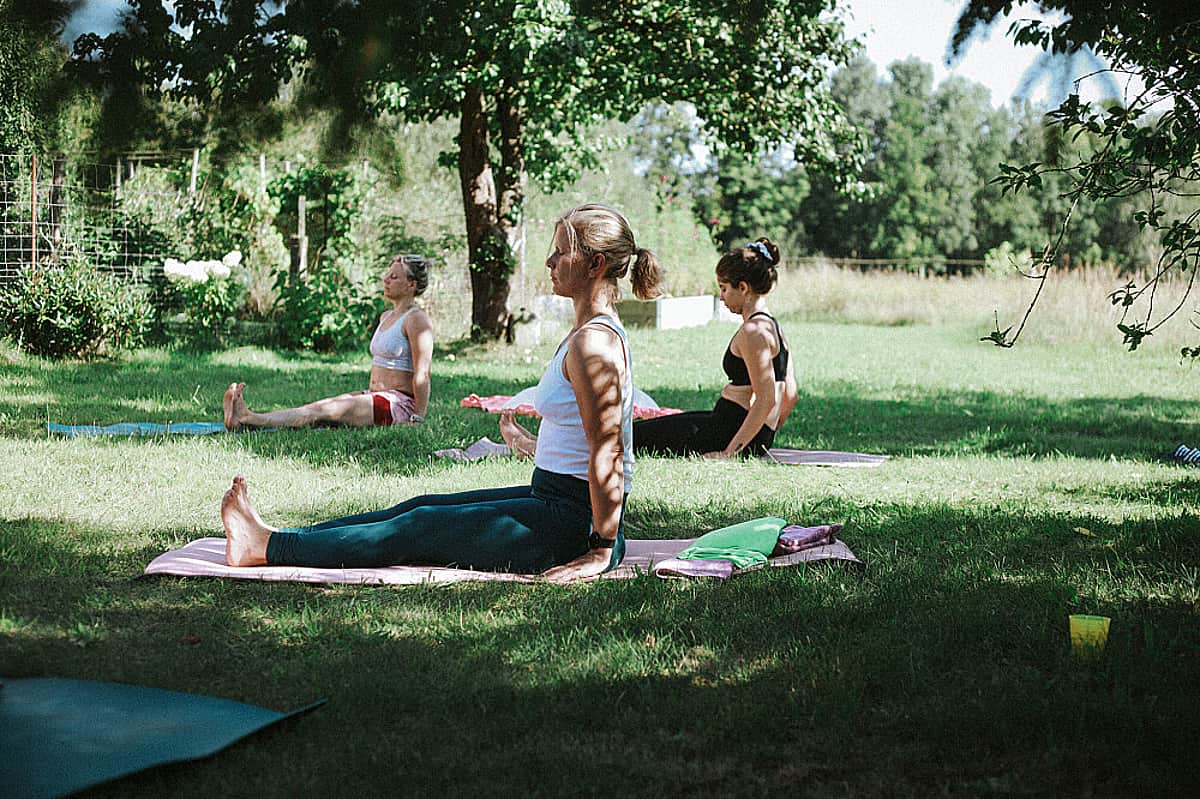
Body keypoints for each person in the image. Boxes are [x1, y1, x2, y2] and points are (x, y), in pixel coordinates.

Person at [220, 204, 663, 583]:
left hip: (570, 526)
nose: (549, 261)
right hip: (554, 500)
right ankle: (284, 538)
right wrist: (529, 443)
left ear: (595, 264)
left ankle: (269, 547)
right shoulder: (586, 334)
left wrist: (603, 549)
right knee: (422, 504)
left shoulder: (594, 343)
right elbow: (585, 437)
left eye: (561, 252)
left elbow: (609, 451)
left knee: (420, 526)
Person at [222, 254, 434, 430]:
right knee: (320, 406)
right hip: (374, 397)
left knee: (320, 412)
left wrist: (417, 418)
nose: (386, 280)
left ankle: (249, 419)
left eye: (394, 277)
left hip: (397, 405)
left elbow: (422, 373)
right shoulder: (386, 316)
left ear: (411, 285)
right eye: (387, 275)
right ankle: (248, 419)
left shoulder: (417, 319)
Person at [633, 238, 797, 459]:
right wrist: (766, 436)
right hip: (736, 428)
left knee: (632, 436)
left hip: (727, 430)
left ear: (743, 287)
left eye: (724, 288)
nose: (721, 297)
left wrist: (730, 452)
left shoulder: (753, 332)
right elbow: (790, 394)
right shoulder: (774, 328)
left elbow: (765, 398)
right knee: (657, 425)